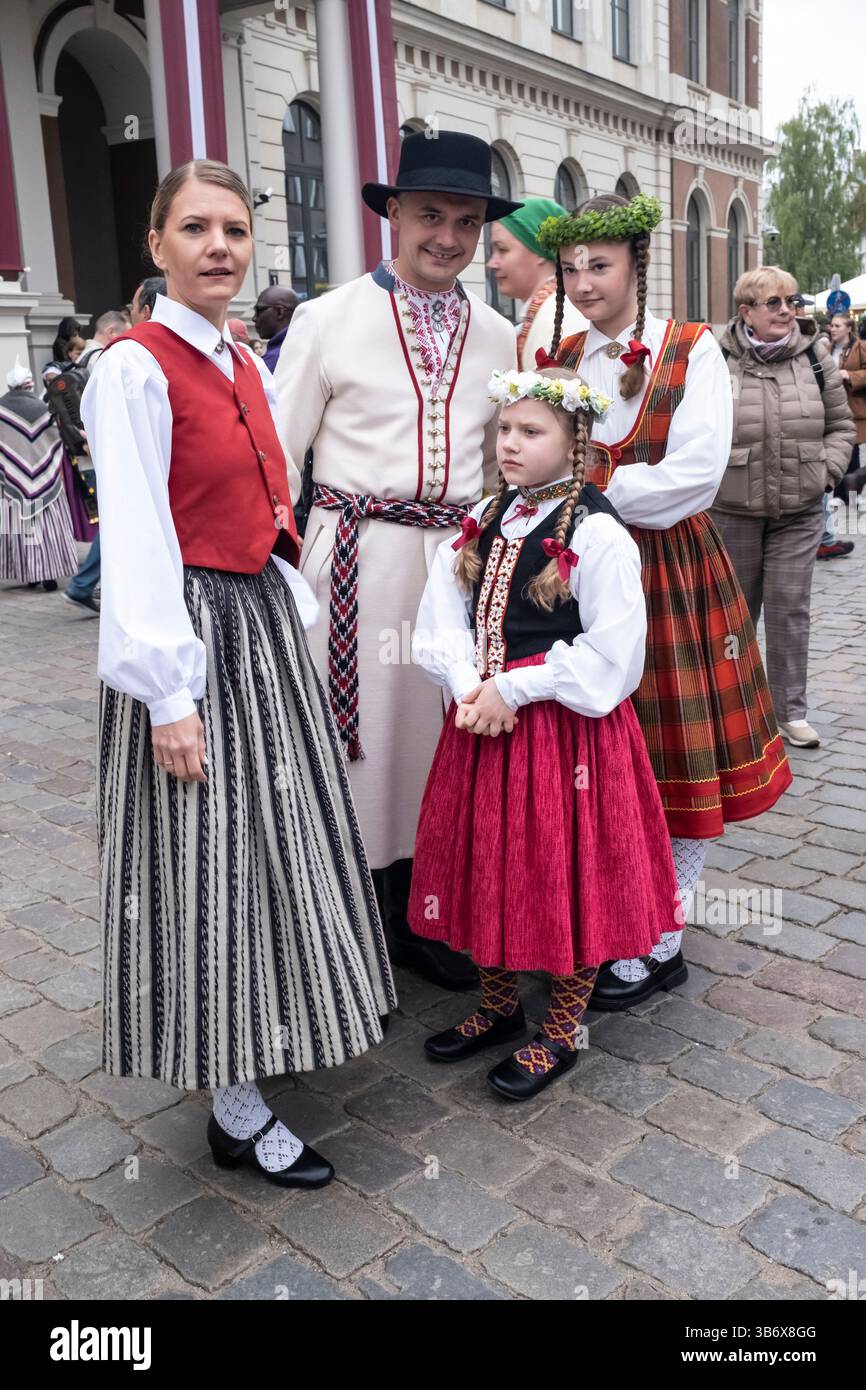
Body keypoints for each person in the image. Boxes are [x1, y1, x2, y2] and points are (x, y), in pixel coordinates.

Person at [81, 158, 395, 1190]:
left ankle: (274, 1027)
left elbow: (268, 504)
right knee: (210, 858)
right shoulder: (131, 368)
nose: (220, 246)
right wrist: (169, 694)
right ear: (157, 245)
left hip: (258, 627)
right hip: (189, 637)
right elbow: (133, 537)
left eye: (234, 229)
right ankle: (231, 1099)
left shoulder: (246, 362)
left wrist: (294, 605)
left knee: (277, 843)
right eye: (196, 229)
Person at [273, 130, 520, 993]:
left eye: (465, 220)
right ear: (393, 218)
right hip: (355, 557)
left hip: (454, 562)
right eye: (429, 215)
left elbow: (500, 463)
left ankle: (427, 914)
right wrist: (274, 575)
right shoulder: (326, 317)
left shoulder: (499, 335)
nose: (447, 236)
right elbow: (276, 456)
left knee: (441, 736)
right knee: (359, 744)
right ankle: (353, 934)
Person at [541, 192, 793, 1010]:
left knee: (670, 752)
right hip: (577, 570)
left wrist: (591, 493)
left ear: (637, 265)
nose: (583, 282)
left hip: (666, 573)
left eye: (600, 266)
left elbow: (693, 474)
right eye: (572, 267)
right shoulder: (562, 355)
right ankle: (615, 913)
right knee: (603, 749)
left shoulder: (691, 350)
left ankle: (666, 936)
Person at [407, 367, 680, 1098]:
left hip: (565, 738)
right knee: (489, 866)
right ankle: (498, 1007)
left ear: (575, 441)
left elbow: (612, 657)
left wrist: (515, 686)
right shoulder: (485, 518)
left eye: (531, 432)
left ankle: (562, 1027)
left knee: (560, 872)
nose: (511, 444)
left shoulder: (597, 533)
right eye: (505, 429)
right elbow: (440, 620)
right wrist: (469, 686)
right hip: (483, 724)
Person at [712, 270, 855, 749]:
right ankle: (732, 713)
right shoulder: (717, 358)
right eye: (772, 302)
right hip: (733, 509)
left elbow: (841, 425)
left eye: (790, 300)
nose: (785, 310)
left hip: (799, 509)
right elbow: (694, 428)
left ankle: (790, 711)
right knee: (735, 614)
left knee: (790, 610)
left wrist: (825, 473)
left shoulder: (814, 357)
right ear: (745, 311)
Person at [0, 357, 77, 590]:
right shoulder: (45, 409)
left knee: (20, 527)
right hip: (47, 478)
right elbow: (58, 438)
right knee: (47, 527)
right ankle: (49, 573)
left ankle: (29, 572)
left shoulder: (1, 411)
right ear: (29, 384)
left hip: (12, 480)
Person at [486, 197, 587, 368]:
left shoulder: (560, 321)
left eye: (502, 250)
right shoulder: (547, 313)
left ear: (539, 250)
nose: (491, 263)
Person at [828, 312, 866, 514]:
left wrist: (849, 375)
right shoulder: (828, 349)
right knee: (839, 452)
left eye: (837, 325)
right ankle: (844, 494)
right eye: (832, 325)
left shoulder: (860, 347)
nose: (832, 329)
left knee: (850, 452)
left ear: (849, 328)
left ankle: (850, 494)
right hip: (833, 409)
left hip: (853, 408)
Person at [253, 285, 299, 373]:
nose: (254, 318)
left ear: (279, 312)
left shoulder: (275, 359)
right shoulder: (306, 346)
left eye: (259, 310)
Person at [78, 310, 127, 375]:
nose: (126, 342)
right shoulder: (105, 358)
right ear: (111, 332)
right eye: (124, 336)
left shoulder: (82, 354)